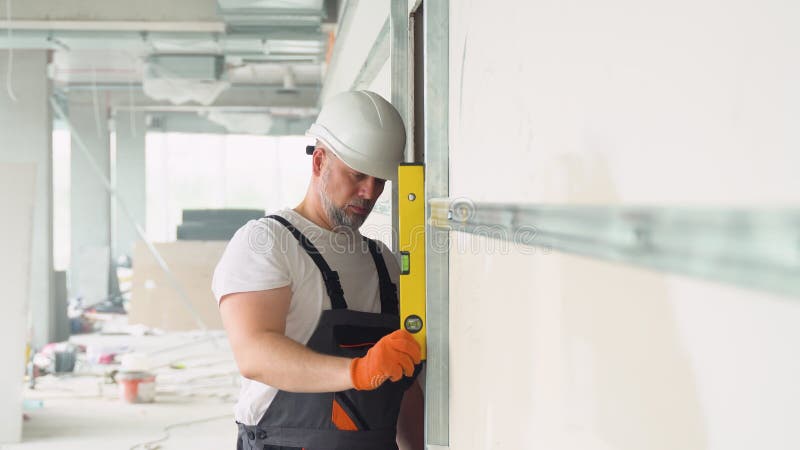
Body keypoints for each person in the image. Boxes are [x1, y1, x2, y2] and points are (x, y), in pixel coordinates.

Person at [212, 90, 424, 450]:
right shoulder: (267, 242)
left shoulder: (384, 262)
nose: (369, 192)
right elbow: (254, 354)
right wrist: (357, 372)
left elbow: (400, 386)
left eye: (380, 181)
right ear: (319, 162)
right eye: (357, 175)